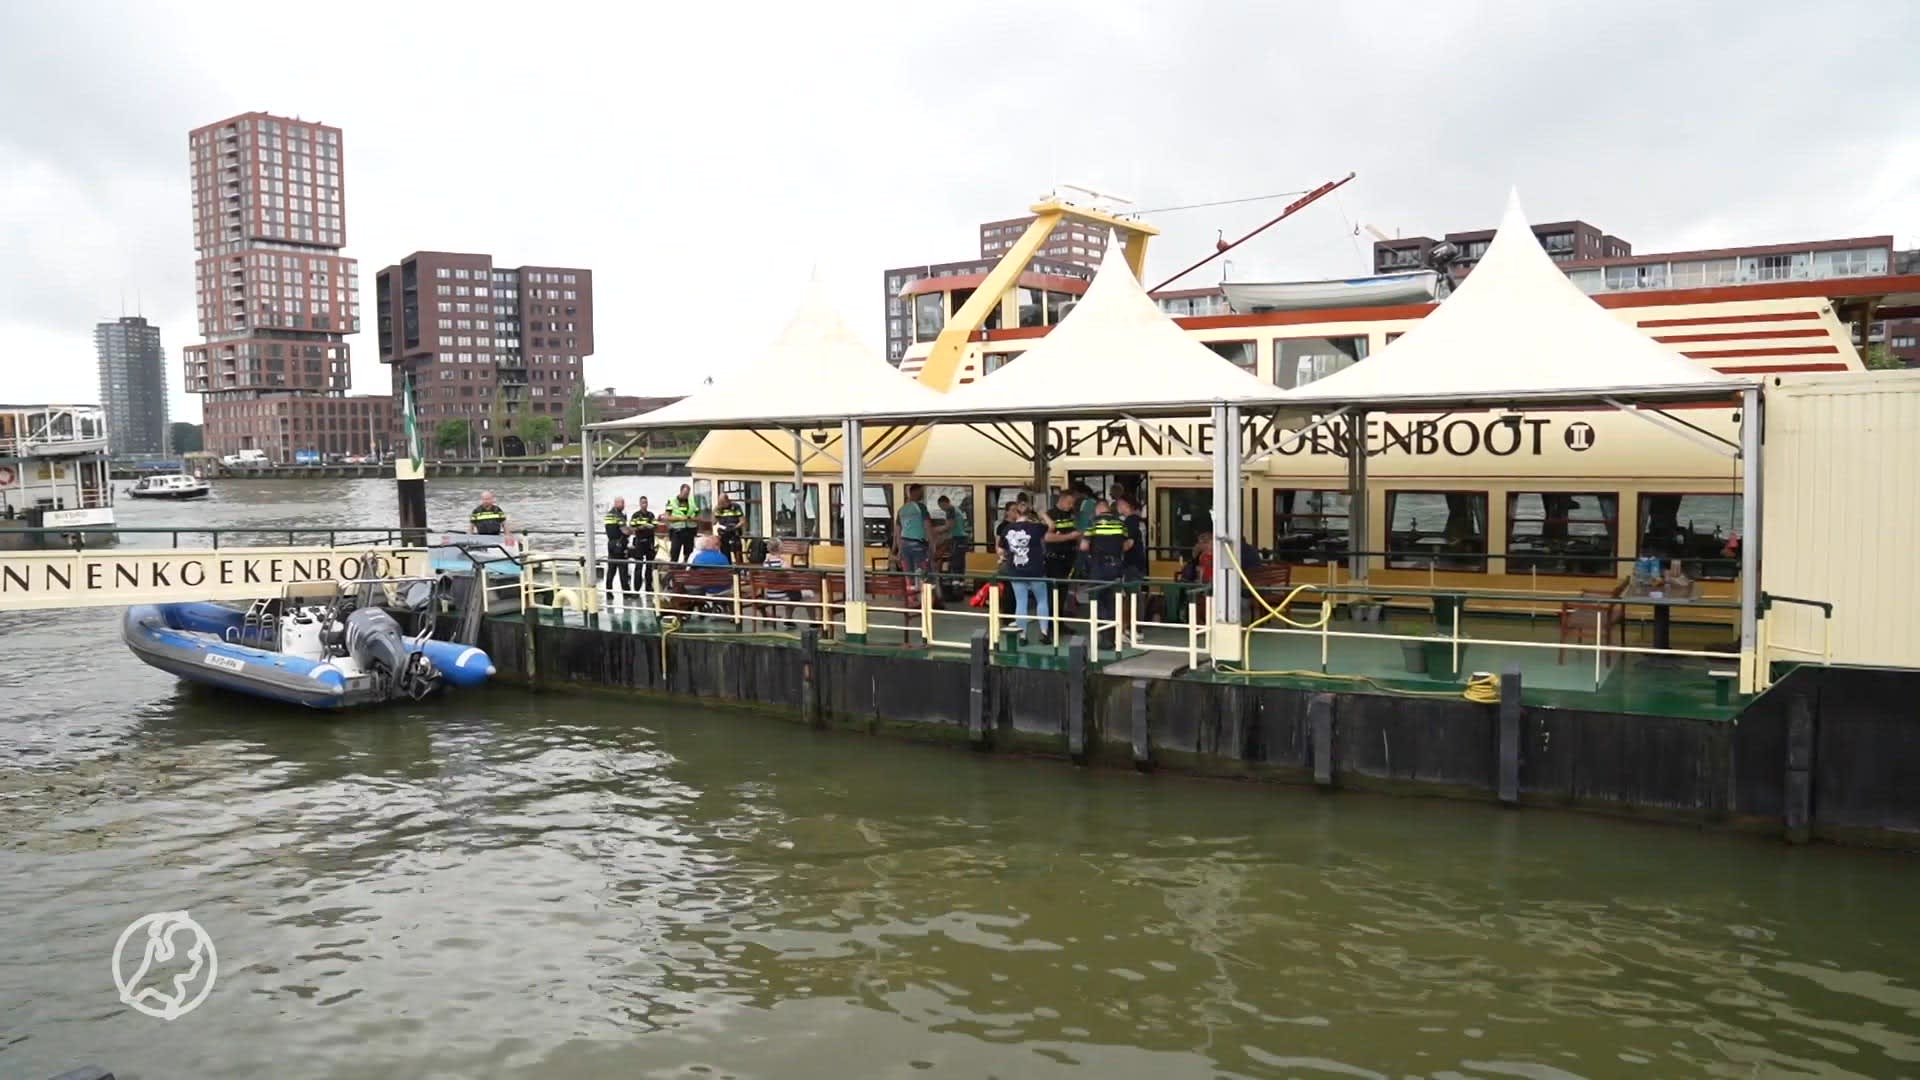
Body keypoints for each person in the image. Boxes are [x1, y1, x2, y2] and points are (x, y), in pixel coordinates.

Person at [999, 505, 1051, 642]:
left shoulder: (1007, 529)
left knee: (1020, 602)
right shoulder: (1036, 528)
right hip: (1035, 570)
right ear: (1030, 514)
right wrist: (1043, 514)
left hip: (1016, 570)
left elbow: (1001, 549)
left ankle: (1022, 635)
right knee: (1042, 600)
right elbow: (1051, 527)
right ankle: (1044, 632)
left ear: (1016, 513)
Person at [1083, 499, 1133, 630]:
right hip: (1116, 565)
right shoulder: (1120, 523)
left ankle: (1102, 633)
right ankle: (1112, 633)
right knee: (1112, 599)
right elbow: (1127, 545)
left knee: (1097, 598)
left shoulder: (1093, 522)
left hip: (1098, 565)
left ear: (1098, 509)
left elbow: (1084, 546)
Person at [1044, 491, 1083, 603]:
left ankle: (1060, 617)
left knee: (1064, 590)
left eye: (1073, 503)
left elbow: (1077, 531)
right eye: (1069, 503)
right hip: (1054, 558)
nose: (1071, 506)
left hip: (1070, 557)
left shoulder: (1073, 514)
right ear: (1061, 500)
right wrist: (1069, 536)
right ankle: (1052, 619)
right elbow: (1046, 537)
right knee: (1054, 592)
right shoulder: (1050, 515)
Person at [895, 483, 931, 585]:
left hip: (904, 544)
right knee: (922, 573)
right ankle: (924, 598)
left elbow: (898, 532)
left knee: (908, 575)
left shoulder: (901, 510)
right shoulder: (921, 507)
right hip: (918, 544)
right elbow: (927, 526)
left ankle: (911, 599)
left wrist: (899, 550)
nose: (922, 495)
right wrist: (933, 544)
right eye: (921, 492)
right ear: (914, 492)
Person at [937, 494, 970, 596]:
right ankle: (960, 585)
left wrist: (934, 531)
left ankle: (955, 587)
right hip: (963, 539)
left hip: (957, 539)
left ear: (945, 503)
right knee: (960, 564)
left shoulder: (950, 510)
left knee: (955, 563)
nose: (942, 509)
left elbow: (949, 526)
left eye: (941, 507)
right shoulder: (957, 510)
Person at [628, 496, 659, 594]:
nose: (644, 504)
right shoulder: (636, 515)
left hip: (649, 542)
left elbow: (655, 526)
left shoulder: (651, 515)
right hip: (639, 542)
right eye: (642, 503)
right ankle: (636, 588)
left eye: (646, 502)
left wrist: (651, 526)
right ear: (640, 504)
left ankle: (648, 587)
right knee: (639, 566)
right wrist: (640, 527)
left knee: (649, 566)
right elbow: (631, 528)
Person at [602, 496, 630, 597]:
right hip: (619, 544)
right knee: (623, 568)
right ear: (617, 503)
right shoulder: (618, 515)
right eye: (622, 503)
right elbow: (625, 530)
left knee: (611, 569)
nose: (624, 505)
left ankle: (608, 592)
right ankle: (626, 593)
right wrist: (632, 530)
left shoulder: (609, 515)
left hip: (611, 543)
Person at [665, 484, 699, 562]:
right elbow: (667, 517)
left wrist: (690, 518)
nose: (686, 495)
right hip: (677, 531)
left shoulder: (692, 501)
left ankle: (687, 571)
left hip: (689, 531)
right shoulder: (672, 501)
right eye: (685, 493)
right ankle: (673, 570)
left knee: (689, 555)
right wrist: (680, 519)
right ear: (680, 491)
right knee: (674, 553)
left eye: (688, 494)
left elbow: (699, 517)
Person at [713, 493, 745, 563]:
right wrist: (715, 511)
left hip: (735, 531)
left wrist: (735, 527)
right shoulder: (719, 508)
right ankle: (727, 567)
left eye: (723, 503)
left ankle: (739, 569)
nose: (722, 504)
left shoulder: (735, 506)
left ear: (728, 500)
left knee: (737, 551)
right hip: (724, 532)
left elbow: (742, 521)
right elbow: (714, 522)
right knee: (725, 552)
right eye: (720, 503)